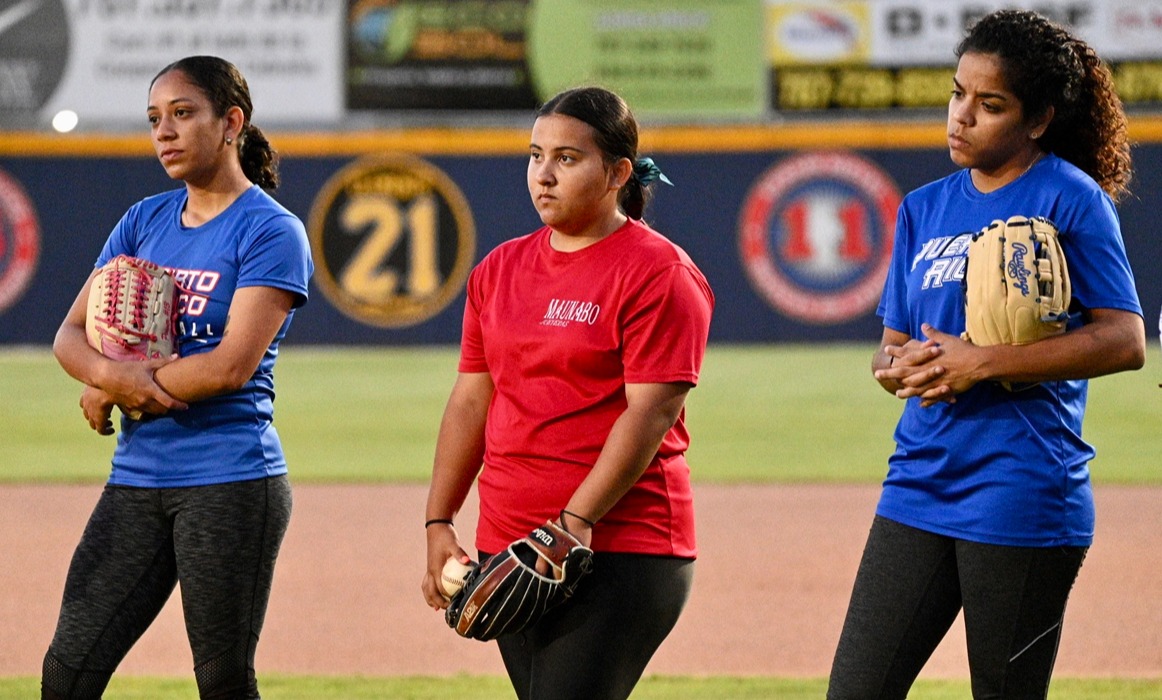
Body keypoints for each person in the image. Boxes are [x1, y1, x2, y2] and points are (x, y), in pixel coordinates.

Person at [827, 10, 1145, 699]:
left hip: (1022, 486)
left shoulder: (1070, 197)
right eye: (957, 93)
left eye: (990, 104)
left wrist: (983, 361)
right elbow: (891, 349)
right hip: (918, 481)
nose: (962, 115)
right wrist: (900, 371)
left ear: (1038, 120)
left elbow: (1125, 340)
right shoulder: (923, 208)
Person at [421, 86, 714, 700]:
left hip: (616, 547)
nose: (544, 175)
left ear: (618, 173)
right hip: (509, 547)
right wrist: (439, 519)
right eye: (535, 156)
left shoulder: (660, 273)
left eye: (567, 158)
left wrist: (572, 524)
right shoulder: (498, 269)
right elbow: (472, 400)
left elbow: (650, 414)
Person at [44, 55, 312, 700]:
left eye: (183, 114)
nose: (164, 131)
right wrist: (107, 374)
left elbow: (229, 366)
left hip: (230, 478)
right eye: (154, 119)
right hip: (137, 477)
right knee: (67, 673)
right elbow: (68, 335)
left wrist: (118, 385)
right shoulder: (143, 220)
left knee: (222, 681)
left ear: (232, 123)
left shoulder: (272, 230)